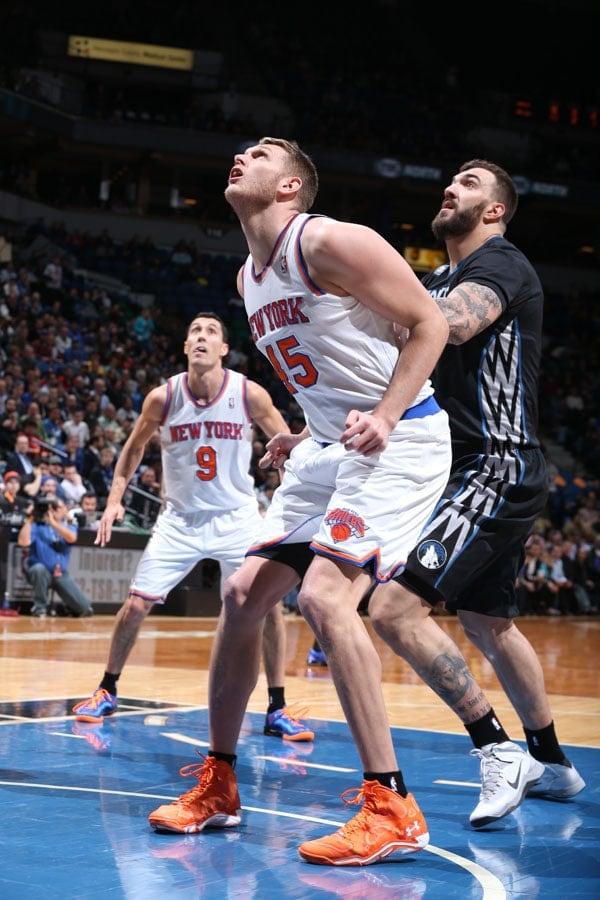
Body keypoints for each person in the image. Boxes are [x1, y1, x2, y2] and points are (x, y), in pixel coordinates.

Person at [148, 138, 453, 863]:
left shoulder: (329, 241)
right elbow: (326, 365)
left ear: (290, 186)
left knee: (323, 597)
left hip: (401, 437)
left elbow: (431, 324)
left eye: (261, 154)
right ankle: (220, 785)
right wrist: (303, 433)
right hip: (329, 446)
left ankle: (392, 806)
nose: (241, 156)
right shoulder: (248, 275)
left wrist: (384, 414)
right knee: (242, 593)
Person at [365, 159, 584, 827]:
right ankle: (552, 762)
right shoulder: (436, 279)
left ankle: (496, 748)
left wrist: (372, 290)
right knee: (489, 621)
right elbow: (396, 348)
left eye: (468, 183)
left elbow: (451, 326)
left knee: (392, 610)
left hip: (494, 463)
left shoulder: (502, 264)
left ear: (494, 210)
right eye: (451, 180)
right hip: (459, 464)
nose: (450, 188)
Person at [72, 312, 313, 743]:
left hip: (237, 516)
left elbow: (291, 449)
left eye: (211, 332)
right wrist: (112, 502)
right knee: (135, 606)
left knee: (268, 607)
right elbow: (132, 450)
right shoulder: (162, 398)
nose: (201, 337)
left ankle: (277, 707)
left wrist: (289, 502)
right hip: (180, 519)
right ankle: (107, 689)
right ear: (186, 347)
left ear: (224, 349)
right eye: (194, 332)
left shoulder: (248, 393)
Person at [17, 496, 93, 618]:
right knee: (38, 569)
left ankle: (65, 608)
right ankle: (39, 607)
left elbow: (72, 538)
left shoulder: (69, 524)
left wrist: (53, 523)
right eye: (51, 507)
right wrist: (31, 518)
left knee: (85, 608)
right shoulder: (38, 526)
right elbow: (23, 542)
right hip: (40, 572)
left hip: (60, 574)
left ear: (64, 509)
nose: (54, 510)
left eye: (57, 507)